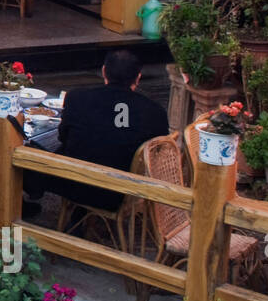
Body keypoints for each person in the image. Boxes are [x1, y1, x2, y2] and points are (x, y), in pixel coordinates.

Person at [32, 50, 169, 213]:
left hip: (75, 184)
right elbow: (158, 153)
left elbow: (63, 137)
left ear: (104, 71)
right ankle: (79, 216)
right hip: (124, 191)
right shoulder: (155, 112)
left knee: (24, 150)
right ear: (138, 78)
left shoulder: (77, 98)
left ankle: (24, 202)